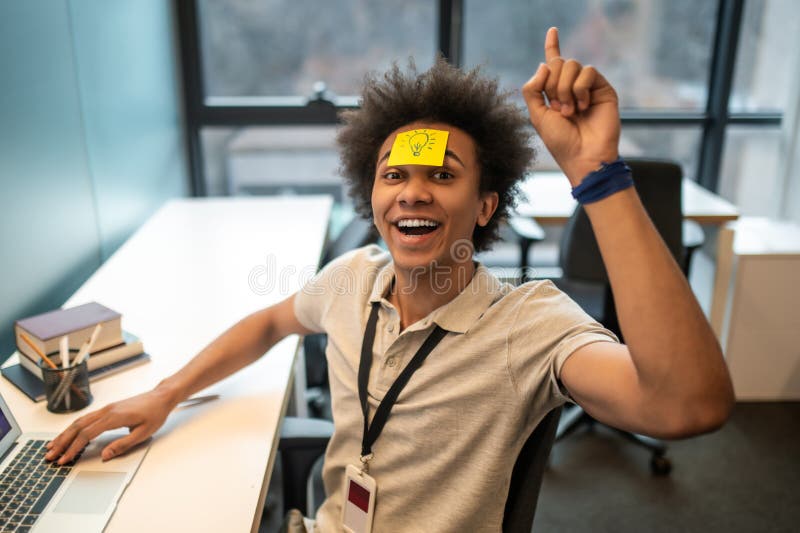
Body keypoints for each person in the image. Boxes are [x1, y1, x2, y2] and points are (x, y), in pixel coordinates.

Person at [45, 28, 734, 532]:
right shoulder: (352, 280)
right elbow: (267, 323)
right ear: (371, 194)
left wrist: (597, 176)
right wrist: (165, 393)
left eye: (442, 175)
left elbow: (687, 406)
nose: (412, 192)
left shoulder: (531, 325)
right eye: (394, 174)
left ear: (486, 205)